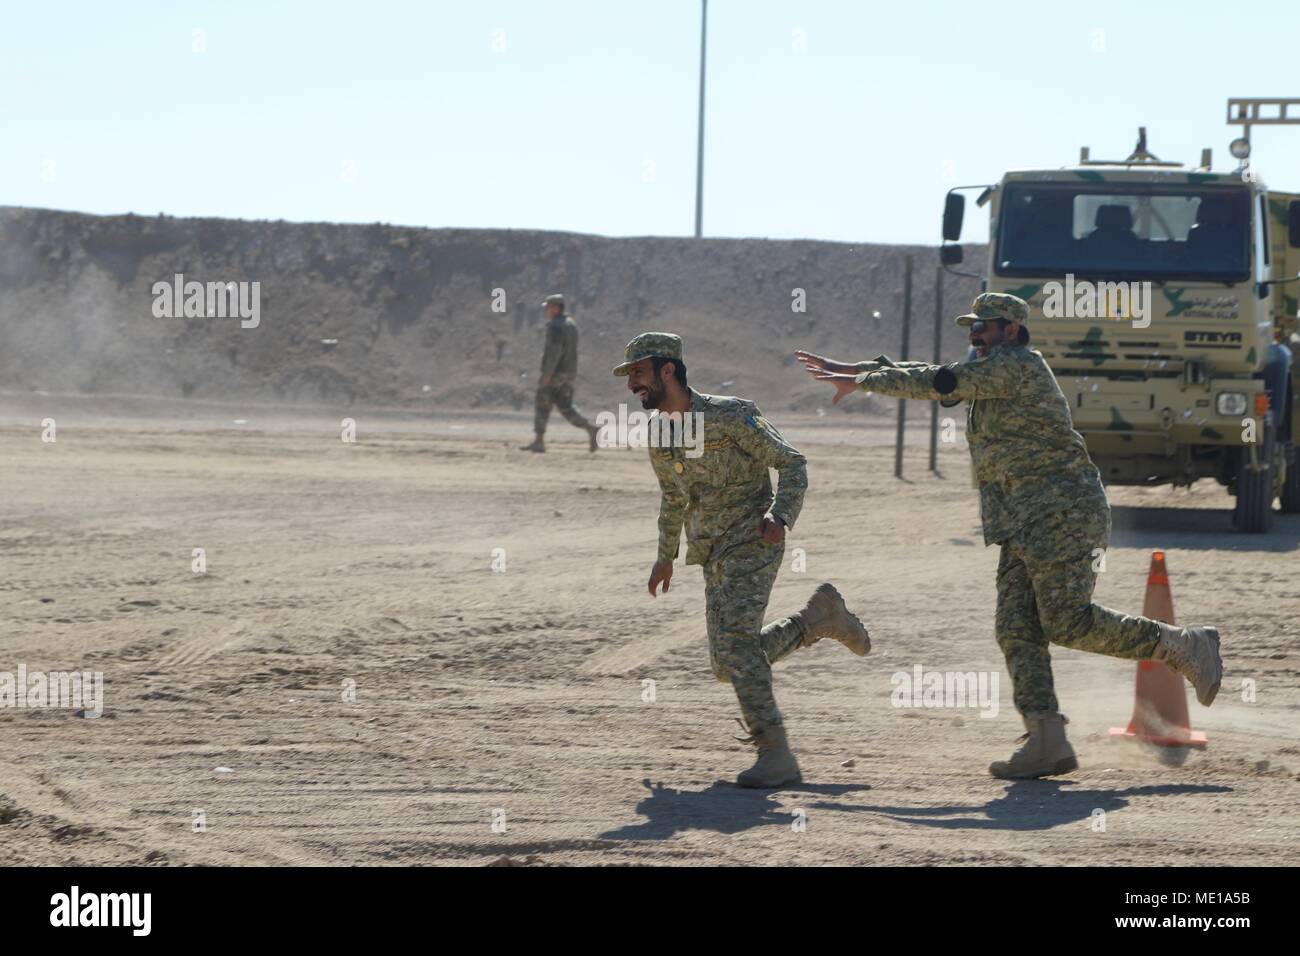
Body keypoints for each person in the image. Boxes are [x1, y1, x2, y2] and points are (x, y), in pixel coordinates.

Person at [796, 292, 1223, 779]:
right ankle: (1047, 738)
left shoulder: (1018, 366)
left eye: (986, 326)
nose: (975, 334)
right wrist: (855, 368)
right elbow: (939, 373)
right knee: (1017, 628)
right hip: (1022, 520)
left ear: (1012, 331)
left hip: (1062, 513)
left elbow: (941, 381)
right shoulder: (989, 371)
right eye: (972, 327)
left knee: (1065, 622)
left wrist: (865, 379)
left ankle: (1182, 645)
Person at [617, 331, 872, 788]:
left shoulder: (732, 414)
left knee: (736, 649)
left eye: (638, 372)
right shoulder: (659, 431)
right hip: (710, 550)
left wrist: (781, 514)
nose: (633, 384)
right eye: (630, 375)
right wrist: (665, 556)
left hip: (754, 540)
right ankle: (817, 620)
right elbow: (672, 497)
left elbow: (792, 462)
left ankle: (775, 753)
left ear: (667, 370)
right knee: (726, 663)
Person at [522, 294, 598, 453]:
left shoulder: (555, 326)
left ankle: (539, 441)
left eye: (548, 307)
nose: (546, 310)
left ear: (556, 308)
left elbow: (554, 352)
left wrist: (547, 374)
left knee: (542, 404)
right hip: (569, 373)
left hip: (555, 373)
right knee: (566, 406)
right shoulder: (571, 324)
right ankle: (589, 427)